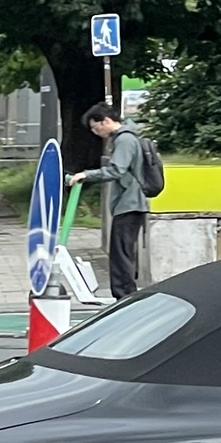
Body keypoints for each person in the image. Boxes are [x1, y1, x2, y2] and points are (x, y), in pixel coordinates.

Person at [69, 102, 150, 299]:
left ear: (105, 121)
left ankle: (124, 296)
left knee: (121, 255)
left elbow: (116, 170)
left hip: (129, 203)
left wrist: (87, 175)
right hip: (129, 203)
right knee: (122, 252)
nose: (96, 132)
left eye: (96, 127)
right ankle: (125, 294)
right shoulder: (126, 137)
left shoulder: (125, 140)